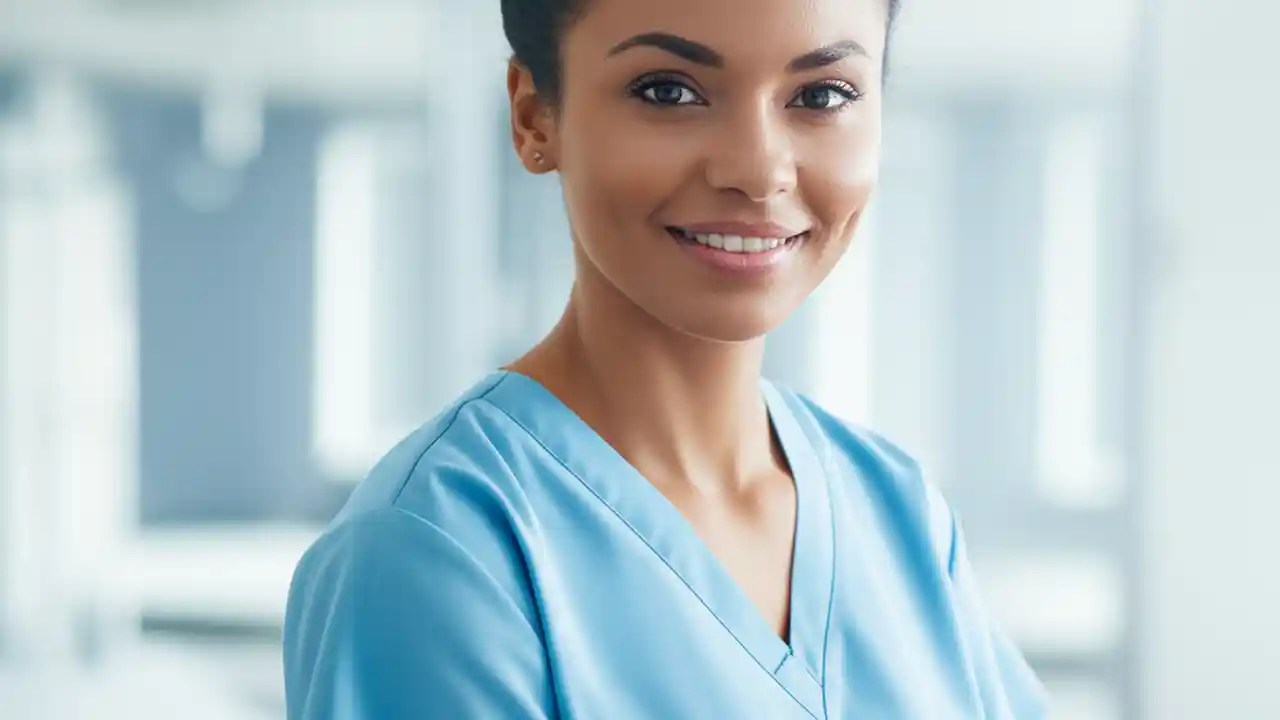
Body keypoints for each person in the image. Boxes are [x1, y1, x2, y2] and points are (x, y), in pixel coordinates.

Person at [283, 0, 1049, 717]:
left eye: (821, 96)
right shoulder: (436, 552)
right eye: (669, 91)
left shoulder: (898, 512)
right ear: (534, 115)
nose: (758, 169)